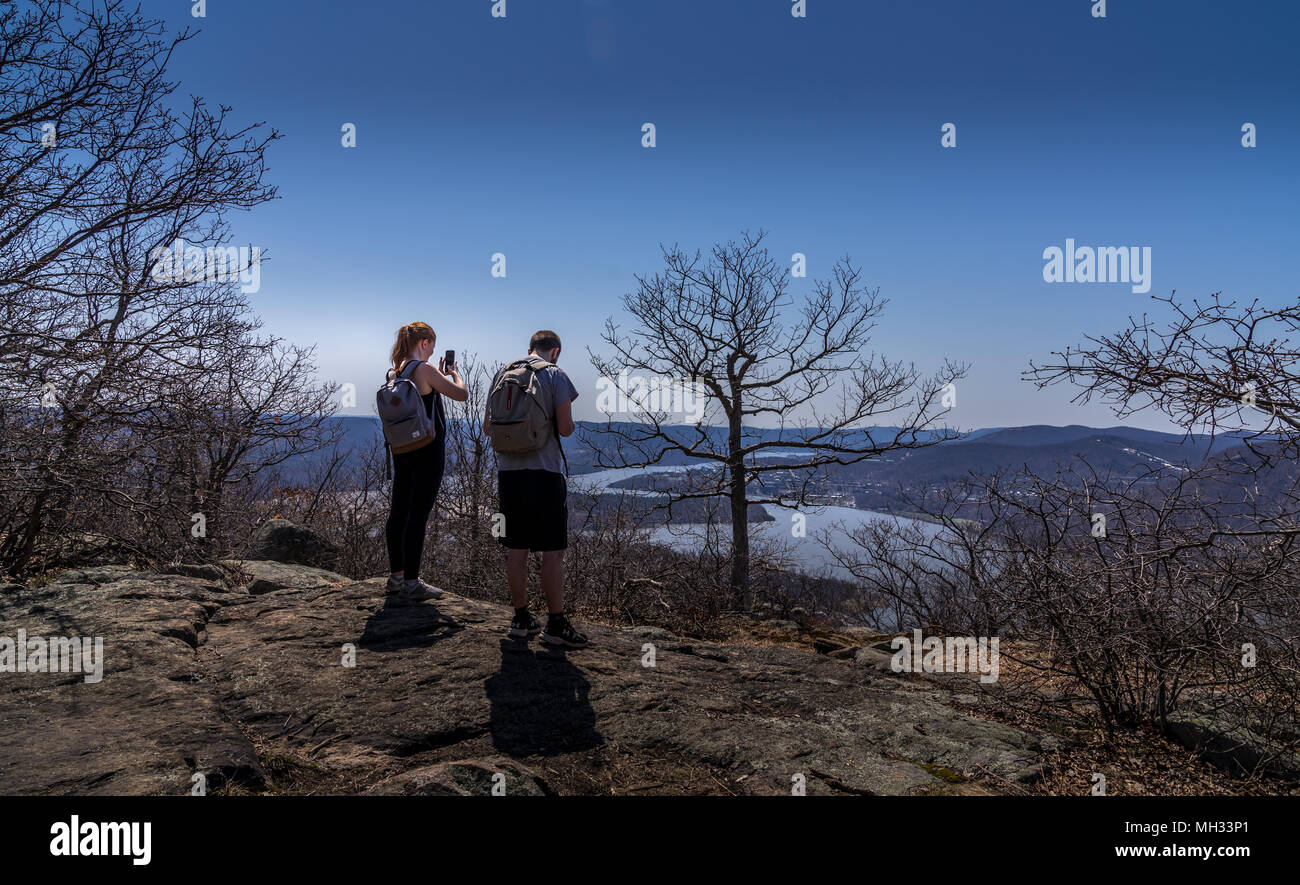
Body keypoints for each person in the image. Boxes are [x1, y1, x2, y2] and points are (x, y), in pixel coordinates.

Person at [488, 330, 588, 647]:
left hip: (509, 474)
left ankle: (520, 619)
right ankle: (556, 625)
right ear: (555, 351)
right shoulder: (556, 375)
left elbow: (489, 426)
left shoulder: (502, 373)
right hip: (544, 473)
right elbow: (565, 428)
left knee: (515, 549)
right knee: (552, 551)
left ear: (529, 348)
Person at [385, 321, 468, 600]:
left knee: (399, 512)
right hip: (428, 449)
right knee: (418, 515)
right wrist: (455, 374)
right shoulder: (425, 369)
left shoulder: (395, 372)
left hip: (403, 448)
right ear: (424, 343)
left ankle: (396, 576)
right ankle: (412, 582)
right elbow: (462, 395)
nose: (432, 351)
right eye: (431, 345)